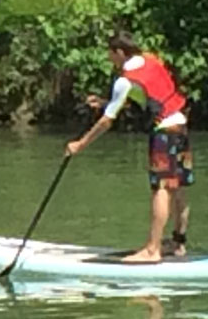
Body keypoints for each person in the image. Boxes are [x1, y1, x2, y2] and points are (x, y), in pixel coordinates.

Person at [64, 30, 192, 262]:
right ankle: (178, 243)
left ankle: (152, 251)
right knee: (177, 186)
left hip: (164, 132)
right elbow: (151, 94)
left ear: (120, 52)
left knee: (161, 188)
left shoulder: (124, 80)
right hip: (180, 125)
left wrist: (80, 144)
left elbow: (106, 121)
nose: (109, 59)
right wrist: (106, 102)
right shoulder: (151, 59)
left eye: (111, 54)